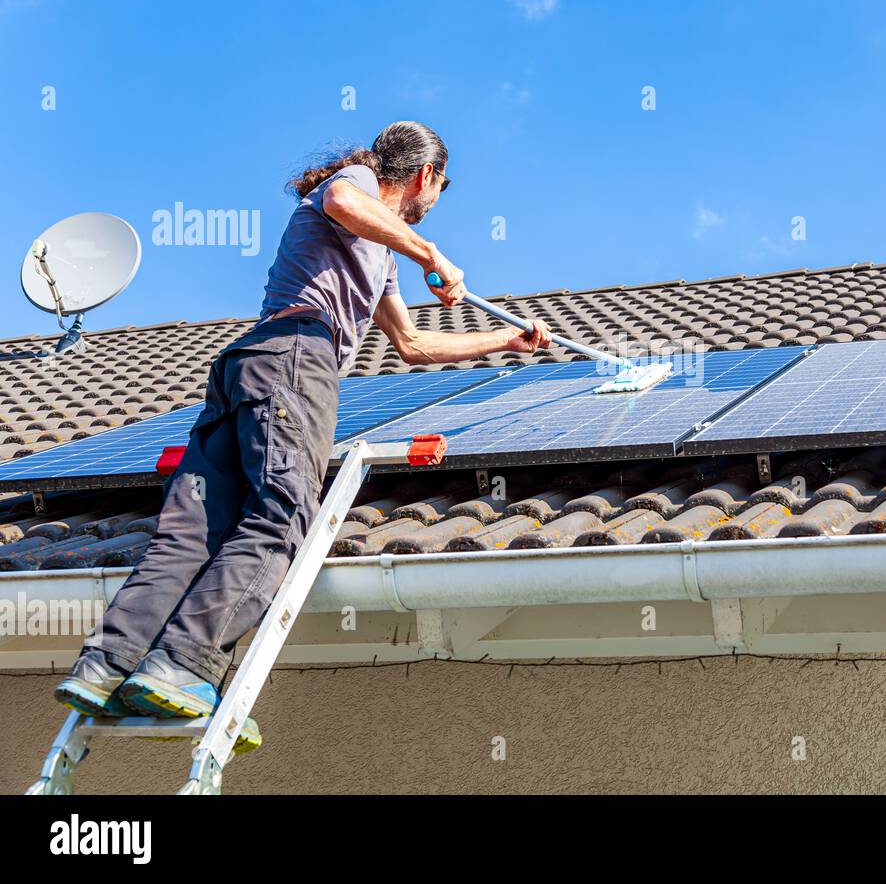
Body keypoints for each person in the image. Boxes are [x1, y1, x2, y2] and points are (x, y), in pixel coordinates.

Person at [54, 121, 551, 747]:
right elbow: (347, 203)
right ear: (426, 175)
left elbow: (415, 345)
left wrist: (505, 340)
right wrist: (434, 254)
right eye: (440, 189)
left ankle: (107, 665)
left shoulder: (378, 255)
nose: (434, 206)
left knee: (194, 529)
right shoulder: (359, 185)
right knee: (283, 516)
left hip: (247, 368)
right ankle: (180, 664)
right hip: (293, 359)